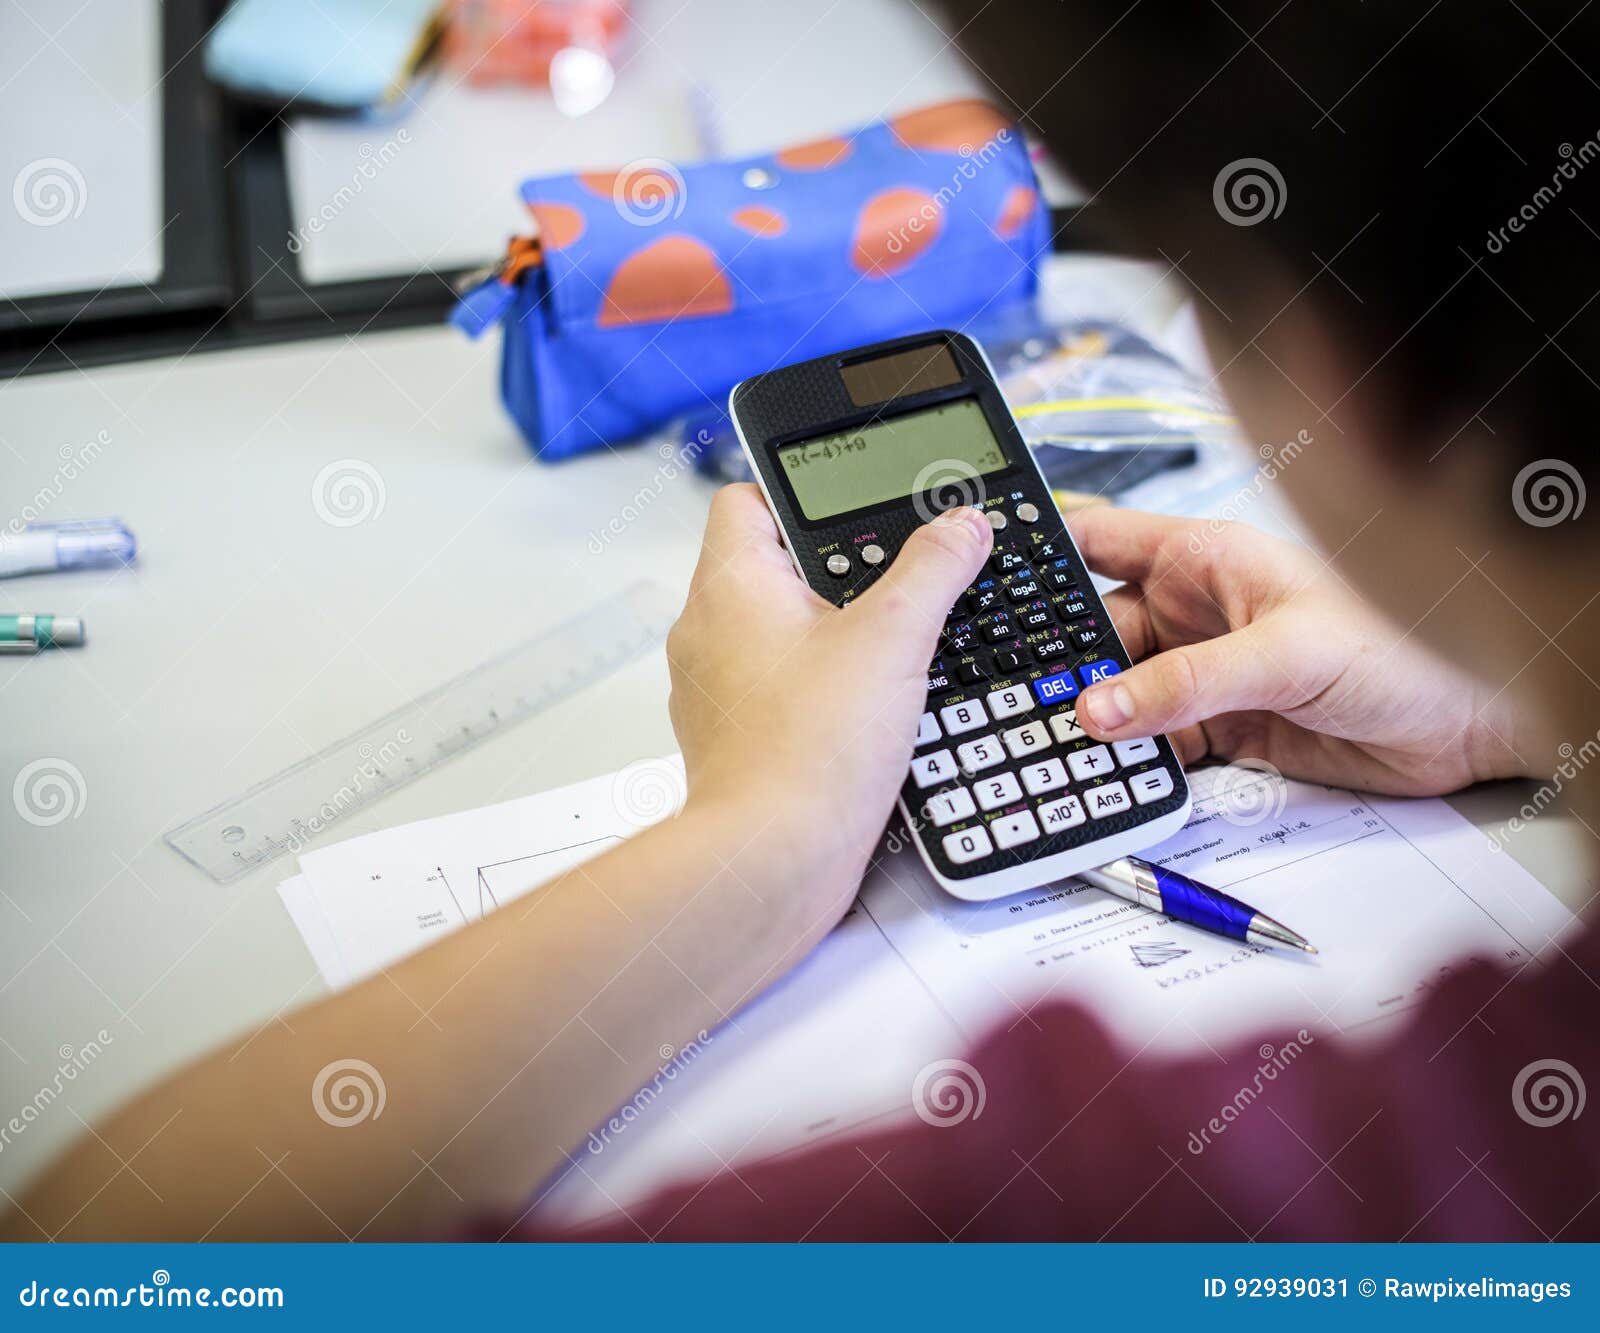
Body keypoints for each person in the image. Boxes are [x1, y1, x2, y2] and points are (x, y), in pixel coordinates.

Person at [5, 0, 1598, 1241]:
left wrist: (760, 842)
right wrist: (1503, 699)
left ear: (1342, 385)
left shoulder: (1227, 1189)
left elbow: (99, 1261)